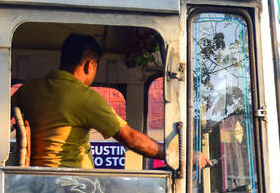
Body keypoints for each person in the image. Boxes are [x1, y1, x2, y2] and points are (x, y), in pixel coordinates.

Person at [13, 34, 166, 169]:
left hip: (36, 183)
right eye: (96, 67)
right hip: (73, 186)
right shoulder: (85, 98)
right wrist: (168, 153)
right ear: (90, 64)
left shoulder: (29, 89)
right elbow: (132, 139)